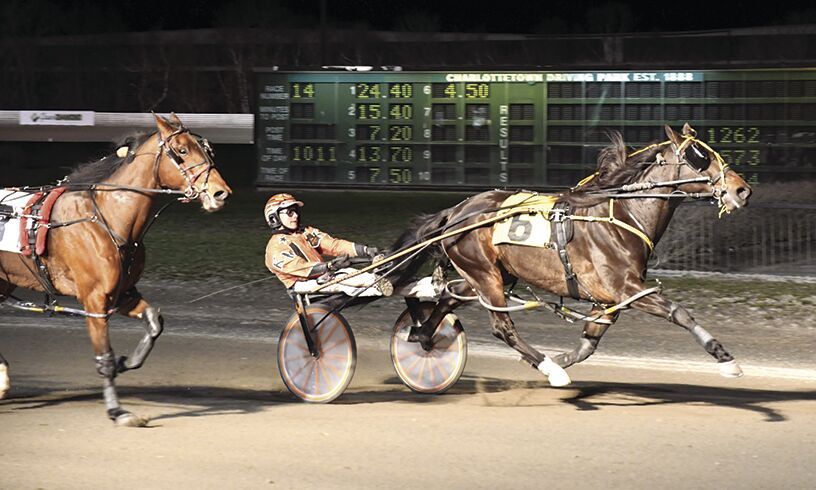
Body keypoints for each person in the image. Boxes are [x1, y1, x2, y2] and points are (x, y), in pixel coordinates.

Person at [263, 193, 392, 297]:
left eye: (296, 211)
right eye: (290, 212)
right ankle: (377, 283)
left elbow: (333, 245)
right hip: (302, 285)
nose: (296, 216)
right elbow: (300, 268)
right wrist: (330, 266)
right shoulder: (275, 247)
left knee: (345, 272)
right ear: (274, 218)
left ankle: (383, 281)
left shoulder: (306, 232)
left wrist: (365, 250)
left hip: (323, 276)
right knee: (343, 276)